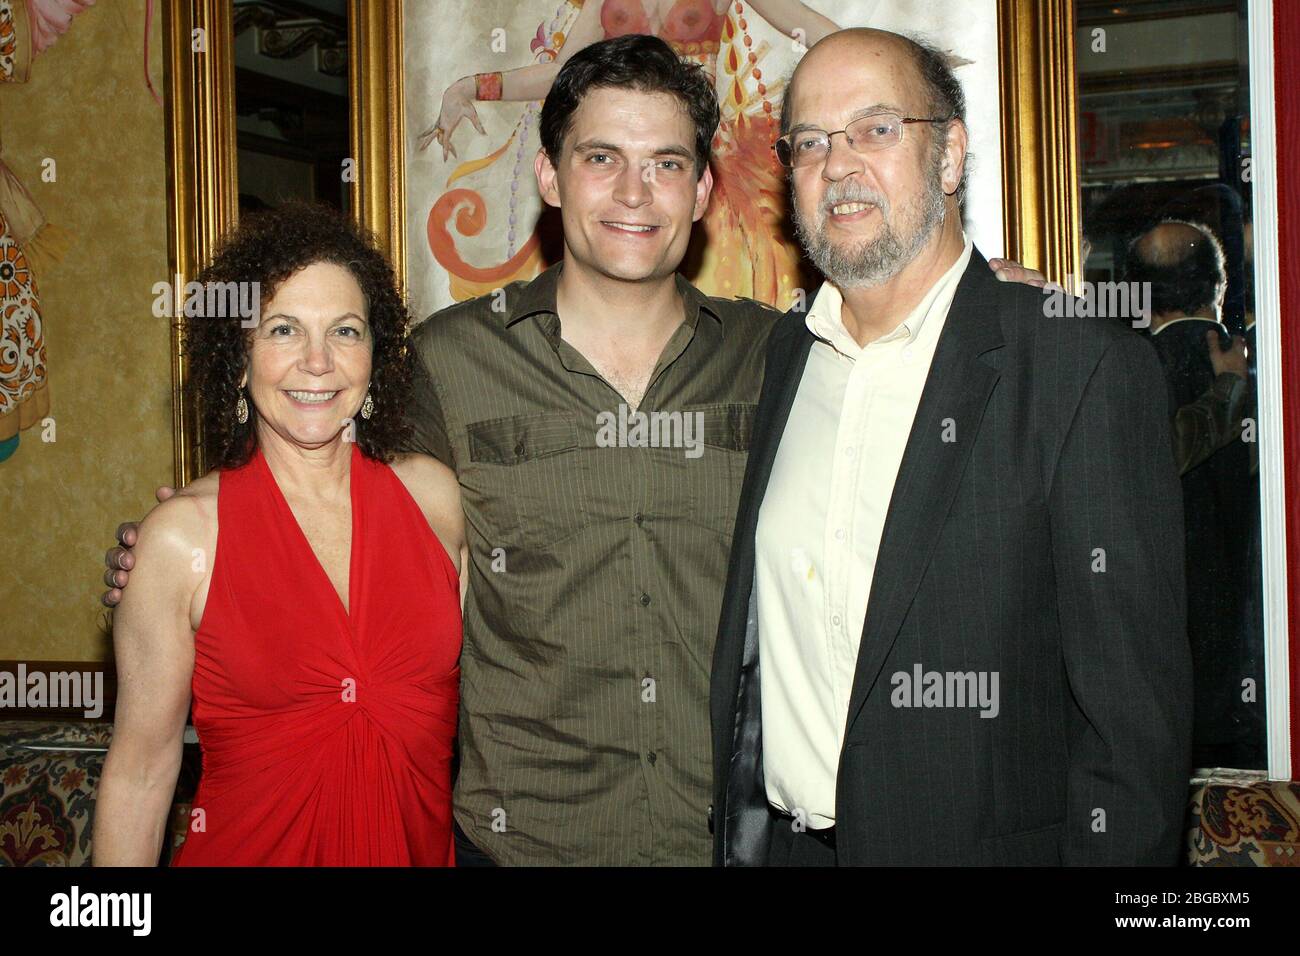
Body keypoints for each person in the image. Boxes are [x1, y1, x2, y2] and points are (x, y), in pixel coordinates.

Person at [103, 36, 1040, 866]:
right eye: (601, 158)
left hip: (723, 843)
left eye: (667, 163)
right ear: (551, 178)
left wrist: (973, 297)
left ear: (704, 191)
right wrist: (178, 553)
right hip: (514, 847)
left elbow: (911, 458)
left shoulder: (787, 357)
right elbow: (326, 488)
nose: (635, 193)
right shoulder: (447, 361)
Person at [710, 28, 1193, 866]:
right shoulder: (786, 358)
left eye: (877, 129)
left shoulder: (1076, 365)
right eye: (813, 142)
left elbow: (1134, 733)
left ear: (950, 156)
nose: (841, 164)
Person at [93, 203, 466, 866]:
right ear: (238, 360)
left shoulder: (434, 500)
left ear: (375, 358)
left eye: (345, 332)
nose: (317, 362)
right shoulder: (182, 540)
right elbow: (141, 779)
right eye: (284, 330)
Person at [417, 0, 842, 307]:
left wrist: (874, 72)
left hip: (700, 170)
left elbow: (819, 32)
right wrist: (471, 87)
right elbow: (562, 73)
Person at [1124, 218, 1258, 768]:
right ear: (1219, 287)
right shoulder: (1266, 366)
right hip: (1262, 654)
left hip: (1156, 664)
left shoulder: (1117, 373)